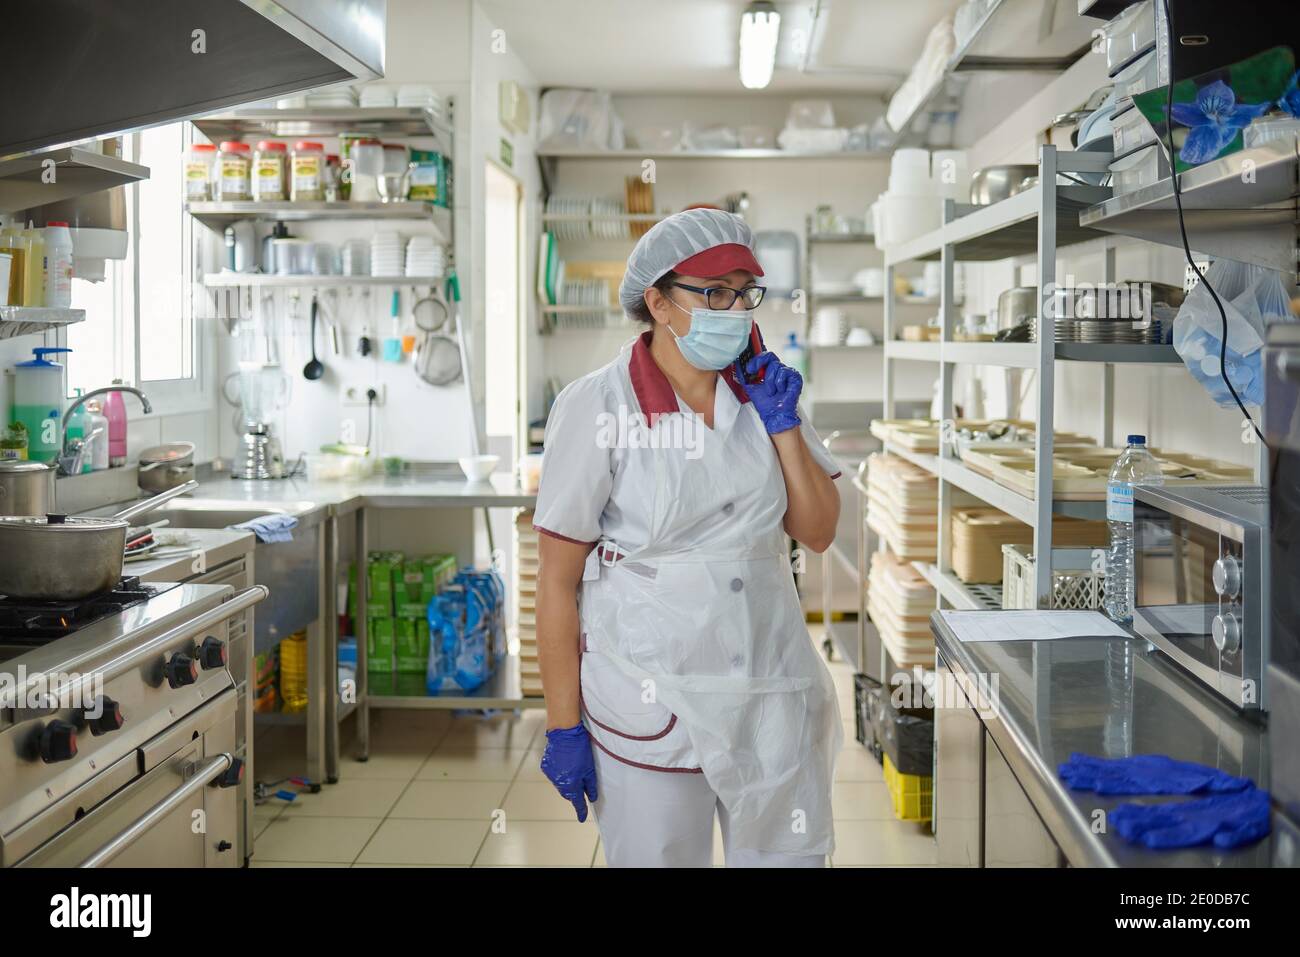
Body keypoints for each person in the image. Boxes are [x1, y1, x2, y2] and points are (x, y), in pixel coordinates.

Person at [532, 208, 843, 867]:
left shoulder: (766, 393)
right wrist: (563, 725)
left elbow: (817, 532)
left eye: (743, 292)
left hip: (769, 692)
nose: (733, 309)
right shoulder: (599, 405)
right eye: (713, 292)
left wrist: (783, 425)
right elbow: (557, 581)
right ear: (658, 301)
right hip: (651, 700)